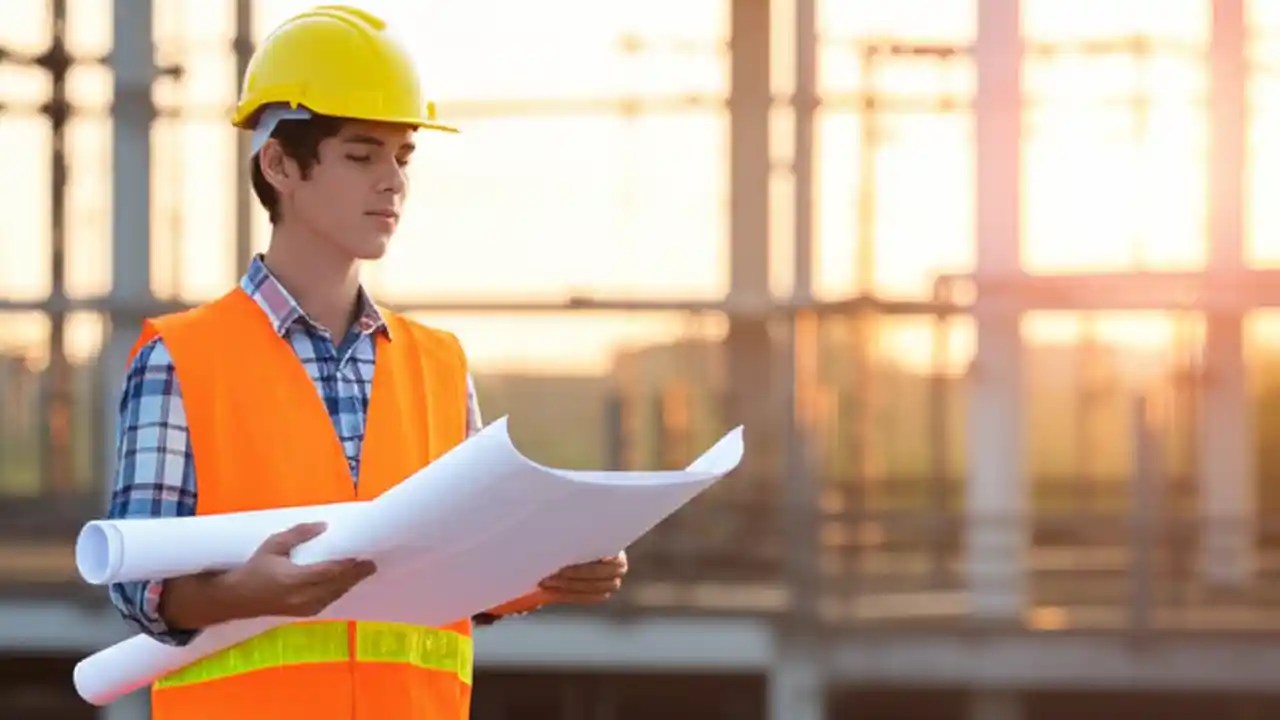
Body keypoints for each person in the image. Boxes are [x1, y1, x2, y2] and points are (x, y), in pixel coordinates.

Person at [105, 5, 628, 718]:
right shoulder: (181, 358)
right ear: (280, 163)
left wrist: (548, 571)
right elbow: (137, 584)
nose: (393, 182)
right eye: (361, 155)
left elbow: (459, 571)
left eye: (403, 157)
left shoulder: (437, 365)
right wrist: (243, 594)